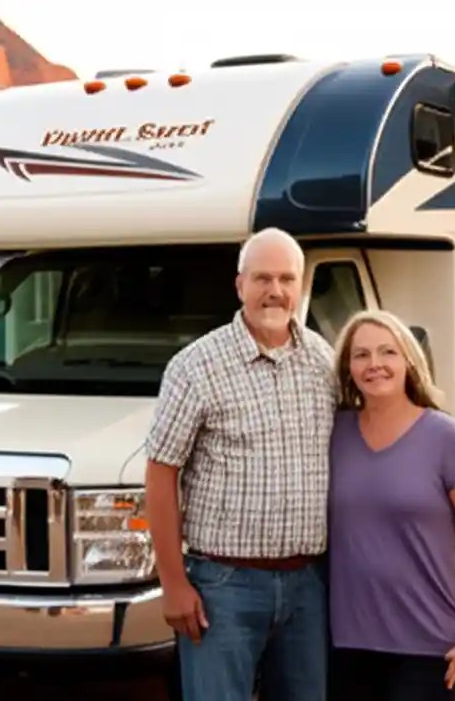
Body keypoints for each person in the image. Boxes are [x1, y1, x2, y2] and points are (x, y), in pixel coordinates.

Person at [144, 227, 338, 701]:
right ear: (239, 286)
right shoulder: (196, 366)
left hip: (307, 586)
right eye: (263, 278)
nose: (275, 291)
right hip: (222, 587)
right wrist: (172, 584)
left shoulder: (323, 361)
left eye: (287, 279)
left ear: (301, 286)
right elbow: (160, 472)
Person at [326, 309, 455, 701]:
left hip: (428, 647)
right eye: (361, 355)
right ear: (348, 368)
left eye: (387, 352)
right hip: (347, 647)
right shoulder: (335, 434)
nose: (375, 364)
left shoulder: (445, 438)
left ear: (409, 360)